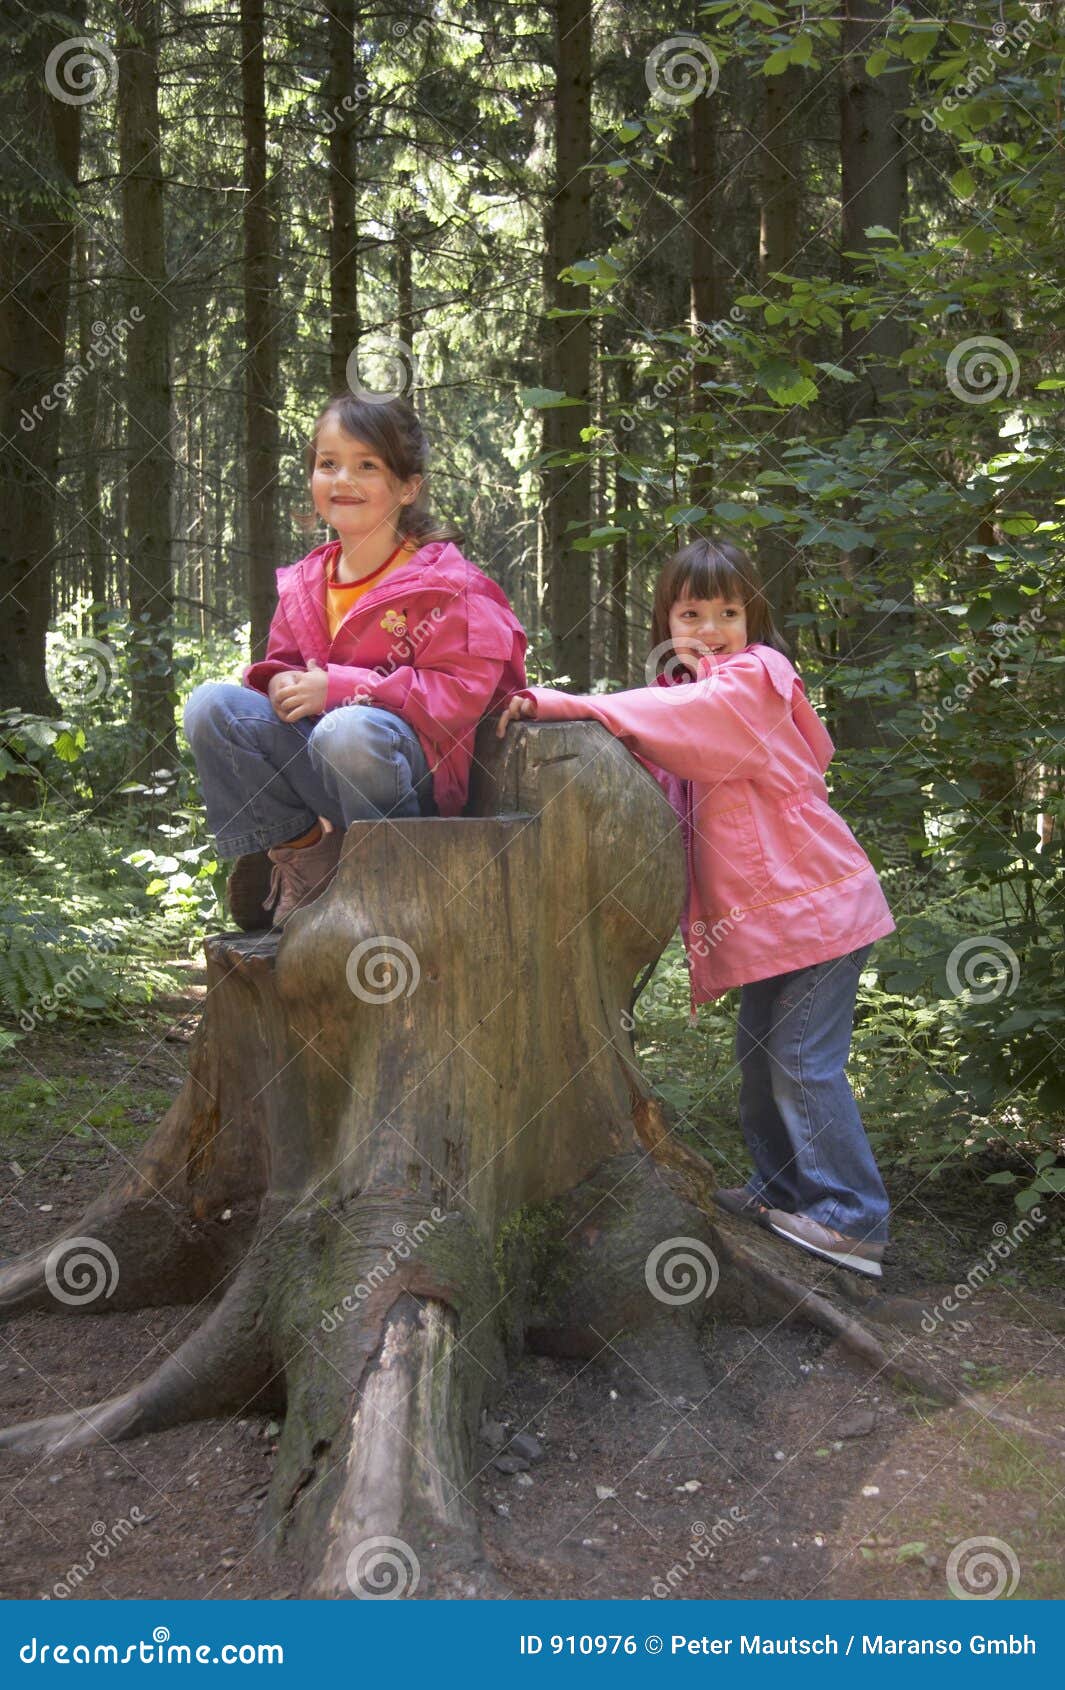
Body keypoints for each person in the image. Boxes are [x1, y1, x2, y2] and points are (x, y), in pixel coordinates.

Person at [496, 538, 895, 1279]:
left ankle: (852, 1218)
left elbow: (686, 716)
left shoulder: (754, 679)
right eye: (690, 612)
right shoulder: (694, 694)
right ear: (666, 618)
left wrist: (567, 702)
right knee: (759, 1058)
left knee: (802, 1062)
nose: (709, 627)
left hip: (820, 910)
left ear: (754, 616)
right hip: (784, 919)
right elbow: (661, 747)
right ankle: (783, 1191)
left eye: (727, 611)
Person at [184, 393, 526, 929]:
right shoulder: (306, 582)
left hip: (412, 786)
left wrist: (340, 688)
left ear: (408, 486)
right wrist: (279, 682)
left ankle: (386, 887)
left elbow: (458, 699)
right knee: (211, 707)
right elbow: (284, 665)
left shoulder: (452, 586)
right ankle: (307, 860)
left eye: (366, 465)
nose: (343, 478)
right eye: (328, 463)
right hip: (322, 769)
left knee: (347, 729)